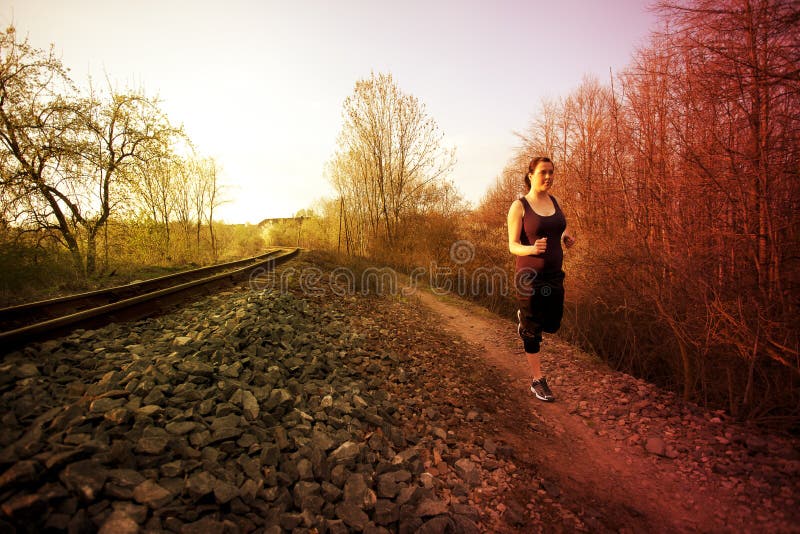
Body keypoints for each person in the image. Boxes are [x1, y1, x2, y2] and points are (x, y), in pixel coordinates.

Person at [507, 157, 576, 401]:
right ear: (530, 175)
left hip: (554, 275)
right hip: (529, 278)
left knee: (553, 324)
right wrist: (531, 249)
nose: (548, 177)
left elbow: (560, 227)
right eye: (543, 172)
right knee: (533, 331)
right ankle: (538, 380)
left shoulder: (554, 202)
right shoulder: (520, 206)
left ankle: (525, 322)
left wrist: (567, 236)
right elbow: (512, 246)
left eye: (551, 172)